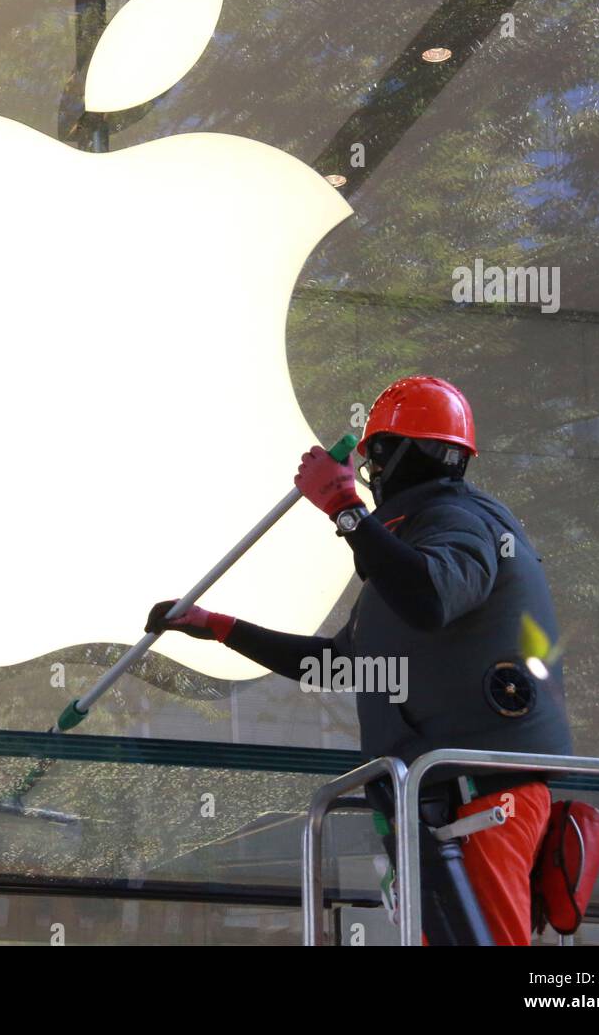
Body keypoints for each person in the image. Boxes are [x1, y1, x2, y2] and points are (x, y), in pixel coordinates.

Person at [146, 375, 572, 945]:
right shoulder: (408, 557)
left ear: (396, 454)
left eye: (374, 454)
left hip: (482, 796)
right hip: (444, 801)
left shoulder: (459, 520)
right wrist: (219, 628)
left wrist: (346, 510)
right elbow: (336, 666)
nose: (370, 471)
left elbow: (430, 597)